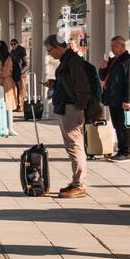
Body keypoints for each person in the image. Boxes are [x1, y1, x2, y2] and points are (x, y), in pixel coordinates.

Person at [44, 35, 93, 198]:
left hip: (71, 108)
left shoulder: (73, 62)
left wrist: (79, 106)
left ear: (58, 47)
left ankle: (79, 184)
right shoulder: (68, 60)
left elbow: (81, 86)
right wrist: (54, 83)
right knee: (72, 146)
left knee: (75, 146)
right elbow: (70, 83)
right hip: (68, 106)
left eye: (50, 50)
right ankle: (76, 181)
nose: (49, 54)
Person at [99, 35, 130, 162]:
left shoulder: (128, 61)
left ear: (122, 46)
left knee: (124, 126)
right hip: (113, 100)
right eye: (111, 46)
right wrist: (102, 68)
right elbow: (103, 77)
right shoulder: (114, 60)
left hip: (123, 101)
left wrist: (127, 100)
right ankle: (120, 151)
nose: (112, 49)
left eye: (114, 46)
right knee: (117, 125)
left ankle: (126, 152)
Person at [0, 41, 20, 113]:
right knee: (0, 106)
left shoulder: (8, 58)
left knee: (7, 106)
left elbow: (5, 73)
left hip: (7, 84)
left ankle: (8, 124)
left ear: (0, 48)